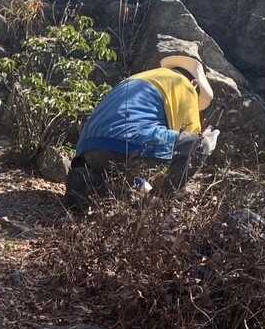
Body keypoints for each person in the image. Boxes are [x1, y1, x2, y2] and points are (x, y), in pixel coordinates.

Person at [64, 54, 222, 213]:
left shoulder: (141, 78)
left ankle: (86, 180)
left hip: (90, 148)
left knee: (129, 182)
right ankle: (161, 207)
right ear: (194, 83)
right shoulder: (184, 84)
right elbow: (189, 138)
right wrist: (207, 141)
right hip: (126, 144)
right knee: (200, 144)